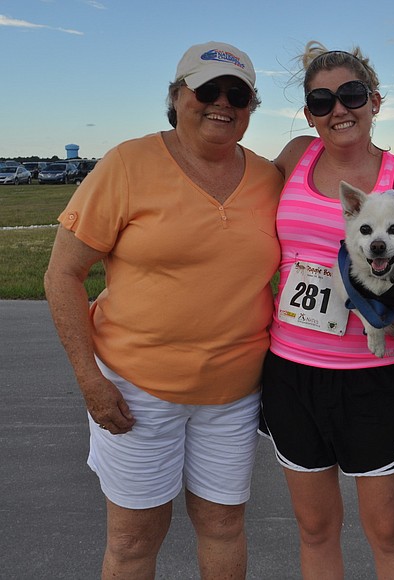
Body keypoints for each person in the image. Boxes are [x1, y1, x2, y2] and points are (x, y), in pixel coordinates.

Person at [43, 42, 283, 578]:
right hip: (134, 389)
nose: (222, 102)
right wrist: (89, 379)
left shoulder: (270, 179)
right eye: (207, 90)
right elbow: (63, 274)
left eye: (238, 94)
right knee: (133, 541)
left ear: (249, 109)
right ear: (177, 97)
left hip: (235, 394)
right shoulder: (128, 163)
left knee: (223, 527)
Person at [260, 41, 394, 579]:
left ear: (375, 101)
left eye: (351, 94)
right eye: (321, 100)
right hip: (291, 369)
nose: (339, 109)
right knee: (314, 530)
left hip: (372, 377)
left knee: (387, 533)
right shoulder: (294, 157)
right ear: (309, 114)